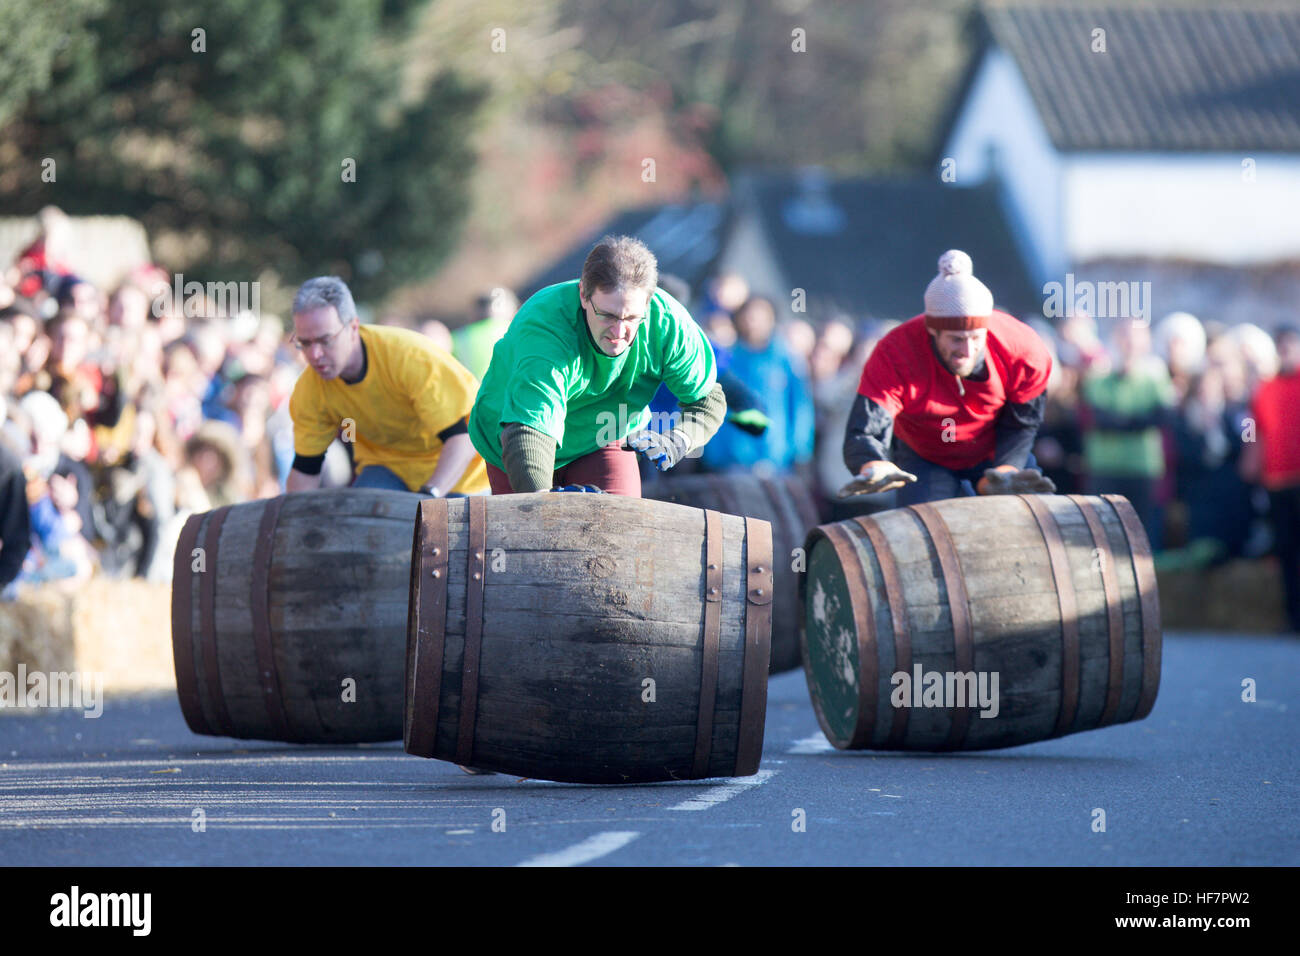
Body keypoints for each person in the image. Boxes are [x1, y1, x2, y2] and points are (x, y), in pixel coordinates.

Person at [468, 235, 726, 496]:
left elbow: (708, 400)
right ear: (583, 294)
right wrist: (542, 505)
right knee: (531, 531)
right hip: (517, 434)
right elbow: (529, 431)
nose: (619, 331)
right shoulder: (547, 328)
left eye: (632, 318)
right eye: (608, 315)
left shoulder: (669, 323)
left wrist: (678, 440)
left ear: (648, 303)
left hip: (602, 436)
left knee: (621, 527)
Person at [841, 250, 1054, 504]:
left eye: (976, 338)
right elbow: (866, 427)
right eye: (956, 339)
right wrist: (874, 464)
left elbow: (1022, 423)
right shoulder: (895, 352)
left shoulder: (1024, 349)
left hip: (995, 451)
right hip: (924, 457)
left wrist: (1005, 471)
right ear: (932, 330)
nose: (967, 350)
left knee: (1019, 520)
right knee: (923, 533)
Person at [285, 276, 488, 496]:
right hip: (387, 470)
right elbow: (306, 469)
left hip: (462, 473)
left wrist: (430, 495)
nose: (314, 355)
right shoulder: (309, 390)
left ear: (353, 327)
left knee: (444, 524)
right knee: (361, 515)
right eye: (304, 343)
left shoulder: (408, 356)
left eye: (325, 340)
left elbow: (463, 438)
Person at [1242, 324, 1300, 632]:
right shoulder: (1265, 388)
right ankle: (1293, 617)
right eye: (1282, 346)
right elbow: (1253, 428)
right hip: (1277, 481)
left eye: (1291, 345)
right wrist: (1249, 454)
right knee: (1286, 550)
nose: (1286, 352)